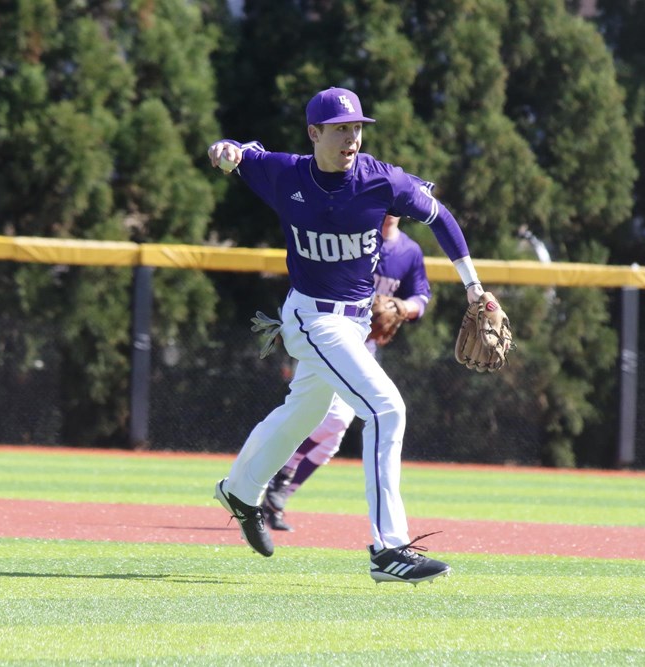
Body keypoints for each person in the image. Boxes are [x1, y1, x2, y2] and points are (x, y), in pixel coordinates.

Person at [207, 86, 489, 585]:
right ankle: (390, 549)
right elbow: (242, 153)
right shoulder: (286, 173)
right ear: (314, 133)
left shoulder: (381, 181)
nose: (351, 138)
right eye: (340, 130)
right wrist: (225, 150)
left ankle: (239, 490)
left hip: (354, 323)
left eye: (357, 127)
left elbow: (440, 217)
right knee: (386, 408)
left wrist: (474, 287)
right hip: (312, 319)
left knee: (304, 413)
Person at [263, 214, 431, 533]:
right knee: (335, 419)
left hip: (363, 348)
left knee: (331, 439)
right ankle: (268, 479)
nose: (390, 209)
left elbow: (420, 297)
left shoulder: (409, 251)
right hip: (328, 337)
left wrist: (400, 307)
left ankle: (274, 496)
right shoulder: (353, 236)